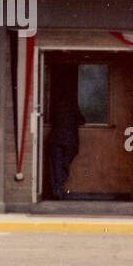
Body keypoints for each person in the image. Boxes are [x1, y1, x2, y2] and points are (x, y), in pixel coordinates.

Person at [48, 66, 85, 199]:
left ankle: (56, 190)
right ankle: (59, 187)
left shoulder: (56, 106)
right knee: (63, 164)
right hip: (69, 141)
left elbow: (52, 120)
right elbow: (82, 120)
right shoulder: (73, 106)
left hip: (56, 139)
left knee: (56, 165)